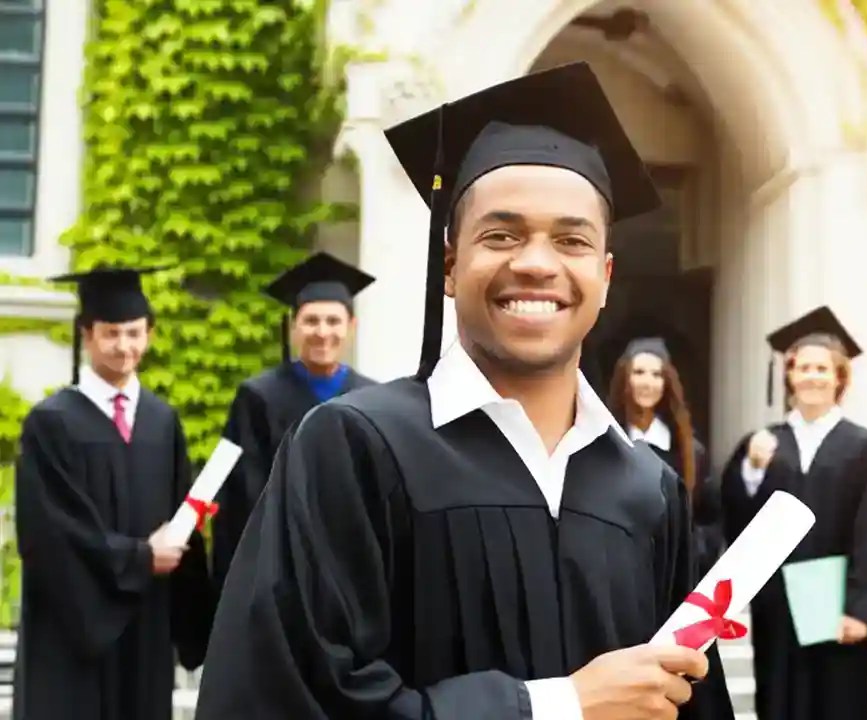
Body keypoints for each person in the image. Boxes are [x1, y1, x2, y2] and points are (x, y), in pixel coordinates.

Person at [194, 61, 733, 720]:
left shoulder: (647, 490)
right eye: (501, 235)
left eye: (571, 240)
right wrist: (559, 705)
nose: (536, 263)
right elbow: (292, 696)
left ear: (606, 274)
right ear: (450, 266)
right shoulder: (355, 450)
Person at [13, 266, 214, 720]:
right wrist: (141, 557)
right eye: (111, 334)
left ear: (149, 334)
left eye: (134, 333)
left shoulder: (163, 422)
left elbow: (182, 522)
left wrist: (192, 610)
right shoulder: (51, 423)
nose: (124, 347)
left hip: (146, 627)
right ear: (87, 335)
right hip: (71, 634)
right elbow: (50, 534)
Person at [719, 306, 867, 720]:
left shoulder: (864, 446)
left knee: (837, 702)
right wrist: (751, 472)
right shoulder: (763, 444)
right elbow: (734, 517)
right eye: (803, 368)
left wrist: (861, 609)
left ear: (839, 378)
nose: (812, 376)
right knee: (779, 703)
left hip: (835, 605)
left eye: (822, 368)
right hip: (778, 603)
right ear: (790, 377)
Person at [212, 251, 376, 593]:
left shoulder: (372, 399)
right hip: (278, 571)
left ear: (351, 327)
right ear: (293, 326)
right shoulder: (258, 397)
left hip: (351, 571)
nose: (322, 332)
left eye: (333, 321)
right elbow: (240, 495)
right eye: (311, 320)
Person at [608, 336, 723, 576]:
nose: (648, 383)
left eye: (657, 375)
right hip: (617, 576)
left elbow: (710, 521)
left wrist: (684, 552)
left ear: (666, 383)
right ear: (625, 378)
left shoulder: (690, 453)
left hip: (672, 579)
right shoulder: (605, 444)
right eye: (639, 372)